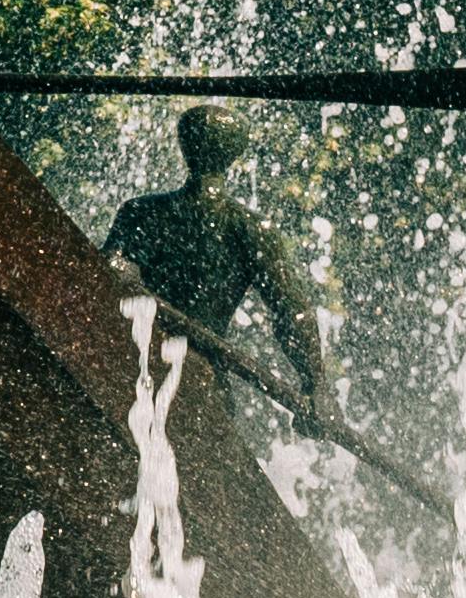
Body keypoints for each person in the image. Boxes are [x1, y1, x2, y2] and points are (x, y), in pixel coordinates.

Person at [102, 105, 334, 430]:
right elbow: (293, 312)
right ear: (234, 155)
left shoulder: (139, 212)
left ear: (184, 144)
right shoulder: (252, 230)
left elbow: (103, 277)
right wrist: (315, 385)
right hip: (202, 379)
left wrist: (316, 390)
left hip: (135, 367)